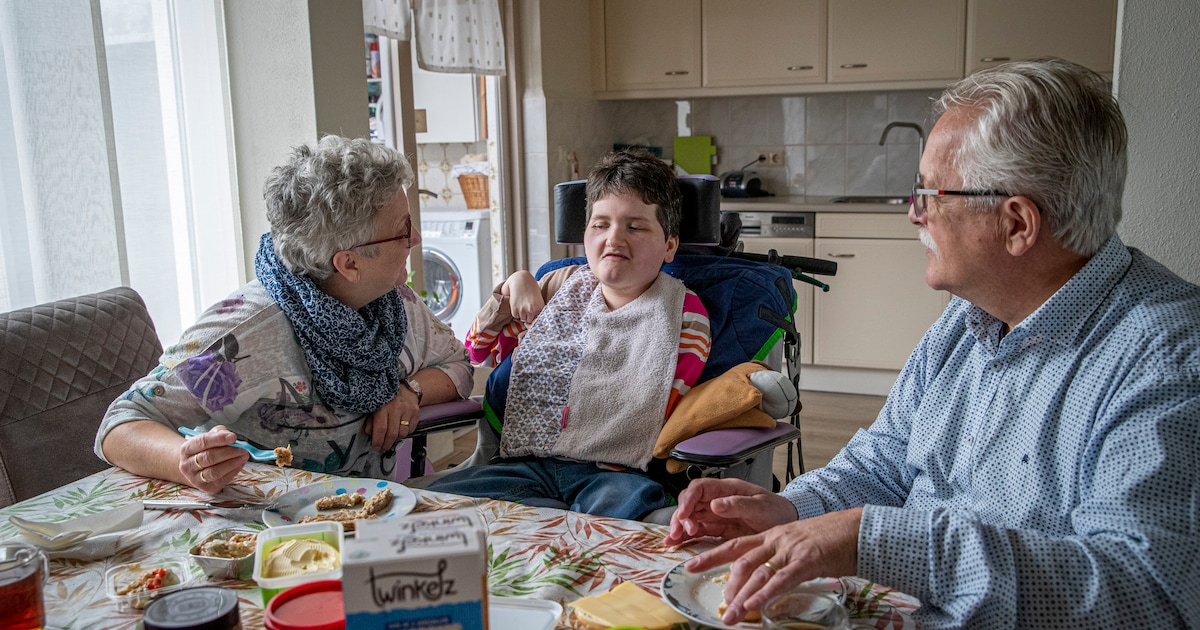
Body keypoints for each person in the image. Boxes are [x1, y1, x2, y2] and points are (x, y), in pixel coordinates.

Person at [665, 58, 1200, 628]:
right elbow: (891, 457)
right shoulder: (968, 318)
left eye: (931, 193)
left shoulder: (1168, 360)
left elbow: (1146, 596)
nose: (914, 214)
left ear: (1018, 223)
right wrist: (792, 509)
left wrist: (872, 538)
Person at [96, 135, 473, 492]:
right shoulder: (245, 332)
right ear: (349, 264)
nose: (417, 238)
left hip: (370, 512)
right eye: (403, 229)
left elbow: (458, 364)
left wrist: (409, 390)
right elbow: (120, 424)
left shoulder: (394, 303)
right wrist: (186, 460)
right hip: (270, 529)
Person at [425, 149, 713, 520]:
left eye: (635, 226)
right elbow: (477, 350)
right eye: (600, 224)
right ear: (584, 234)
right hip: (528, 465)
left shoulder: (681, 312)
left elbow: (664, 401)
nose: (614, 239)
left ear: (670, 245)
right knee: (432, 506)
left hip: (615, 474)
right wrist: (516, 283)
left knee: (619, 525)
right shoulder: (557, 287)